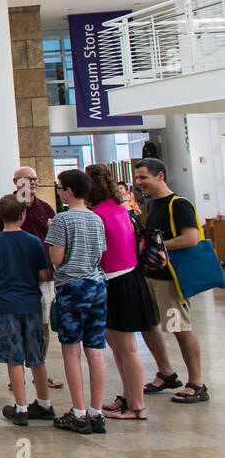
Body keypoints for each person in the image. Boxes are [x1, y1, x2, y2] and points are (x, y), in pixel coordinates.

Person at [0, 165, 62, 390]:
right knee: (14, 328)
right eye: (28, 179)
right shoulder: (8, 205)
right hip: (14, 280)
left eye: (35, 179)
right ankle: (17, 373)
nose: (33, 183)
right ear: (16, 182)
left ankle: (38, 370)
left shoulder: (45, 208)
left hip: (42, 276)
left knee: (41, 324)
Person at [134, 158, 209, 404]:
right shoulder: (151, 204)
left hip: (171, 278)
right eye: (138, 177)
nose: (139, 182)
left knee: (179, 328)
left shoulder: (180, 204)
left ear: (160, 176)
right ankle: (165, 372)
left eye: (144, 177)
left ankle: (196, 383)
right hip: (151, 275)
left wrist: (157, 247)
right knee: (147, 324)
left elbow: (191, 239)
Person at [85, 165, 156, 421]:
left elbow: (98, 252)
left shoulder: (98, 215)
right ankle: (127, 396)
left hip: (119, 281)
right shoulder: (118, 210)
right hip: (126, 279)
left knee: (126, 347)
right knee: (117, 346)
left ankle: (137, 406)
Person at [45, 169, 109, 434]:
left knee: (71, 349)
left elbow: (57, 258)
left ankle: (79, 412)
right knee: (95, 350)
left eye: (60, 188)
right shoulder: (96, 218)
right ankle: (96, 412)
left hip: (73, 287)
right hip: (97, 285)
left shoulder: (62, 219)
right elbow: (100, 252)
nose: (59, 192)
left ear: (69, 191)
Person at [0, 194, 53, 425]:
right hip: (31, 304)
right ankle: (44, 403)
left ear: (0, 217)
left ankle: (21, 407)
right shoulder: (34, 242)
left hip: (6, 304)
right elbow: (44, 274)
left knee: (14, 357)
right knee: (36, 355)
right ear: (23, 216)